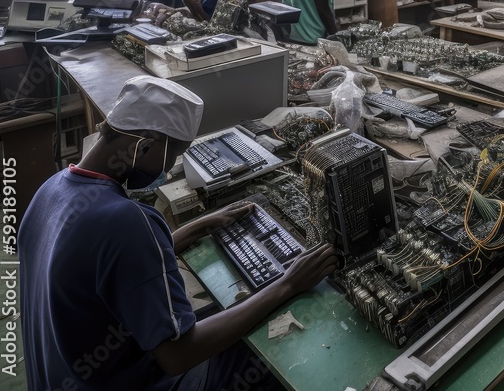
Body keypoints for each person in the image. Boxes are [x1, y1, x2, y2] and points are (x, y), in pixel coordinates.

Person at [19, 75, 339, 391]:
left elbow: (103, 268)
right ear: (142, 147)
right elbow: (177, 355)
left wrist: (197, 226)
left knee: (226, 310)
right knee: (268, 346)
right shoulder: (126, 221)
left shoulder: (50, 190)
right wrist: (288, 284)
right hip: (128, 379)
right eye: (173, 154)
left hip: (64, 374)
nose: (171, 164)